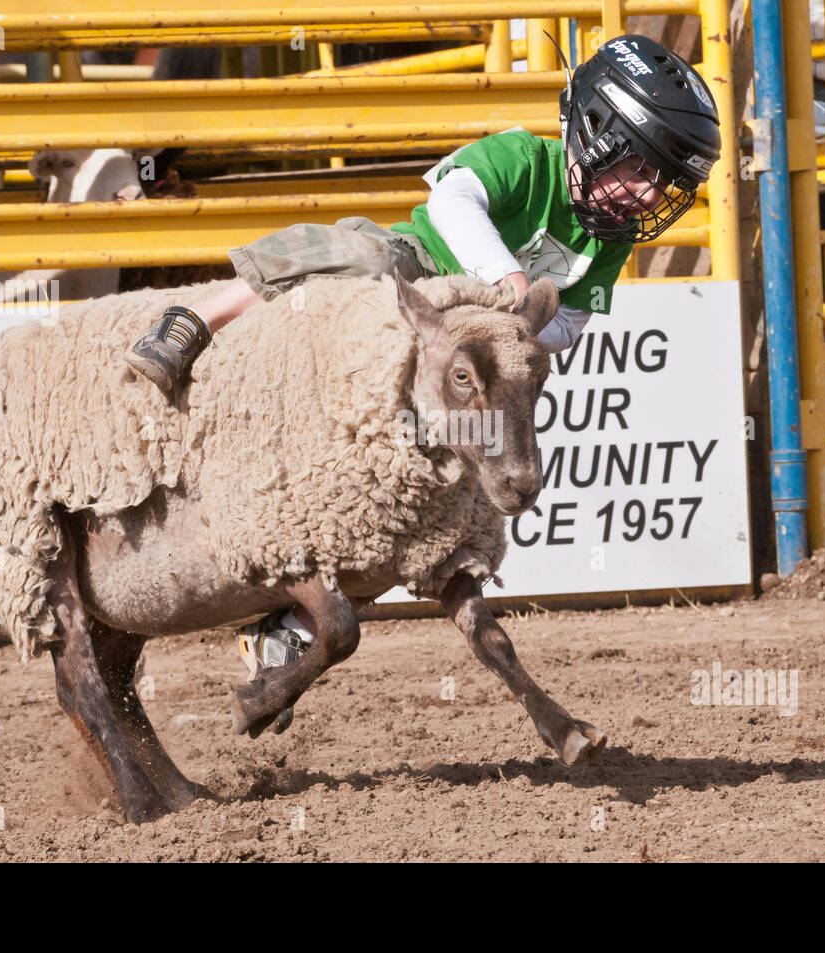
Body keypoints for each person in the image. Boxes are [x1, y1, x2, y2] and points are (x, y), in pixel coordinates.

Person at [124, 34, 722, 725]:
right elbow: (451, 203)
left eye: (662, 184)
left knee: (416, 509)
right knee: (339, 251)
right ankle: (195, 321)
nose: (648, 195)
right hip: (415, 273)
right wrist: (510, 287)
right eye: (640, 170)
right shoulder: (525, 158)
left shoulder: (607, 241)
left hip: (468, 366)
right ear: (594, 134)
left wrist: (524, 327)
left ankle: (289, 628)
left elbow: (570, 326)